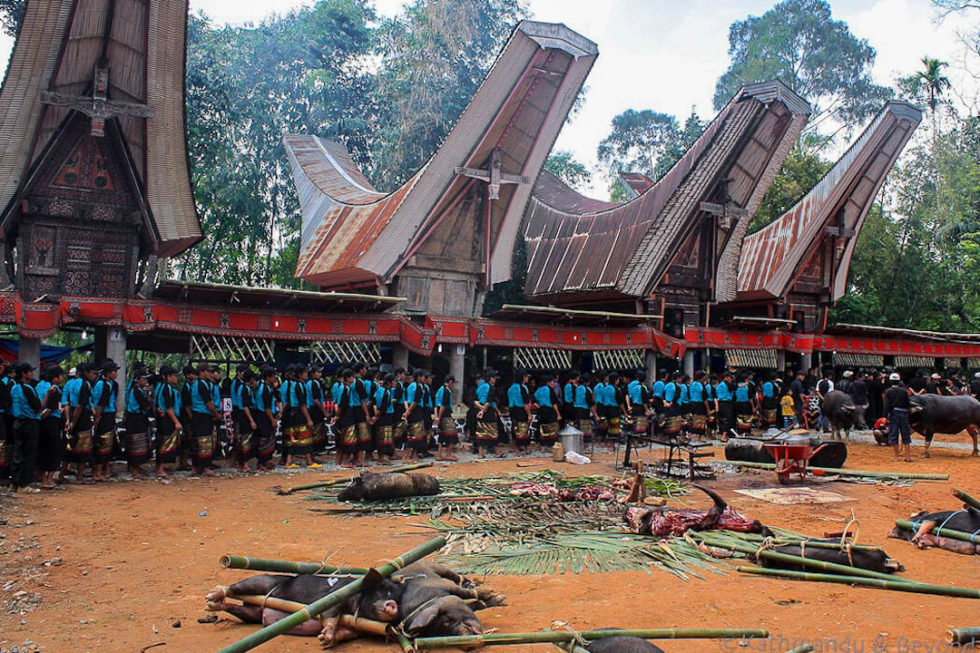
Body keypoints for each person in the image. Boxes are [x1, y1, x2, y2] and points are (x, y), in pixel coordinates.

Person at [9, 362, 41, 492]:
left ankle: (14, 483)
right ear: (24, 373)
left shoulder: (14, 388)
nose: (31, 374)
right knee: (28, 453)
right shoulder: (27, 388)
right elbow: (37, 407)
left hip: (17, 421)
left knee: (18, 452)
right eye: (30, 371)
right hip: (29, 422)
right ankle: (24, 484)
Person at [281, 365, 317, 469]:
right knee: (302, 435)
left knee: (301, 437)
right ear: (300, 375)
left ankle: (307, 460)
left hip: (296, 413)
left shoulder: (298, 384)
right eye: (305, 372)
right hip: (299, 413)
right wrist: (309, 419)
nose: (307, 374)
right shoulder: (298, 386)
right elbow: (302, 404)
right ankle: (293, 461)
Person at [66, 363, 97, 483]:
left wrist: (69, 419)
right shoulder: (85, 385)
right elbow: (80, 405)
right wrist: (73, 421)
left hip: (73, 413)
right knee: (83, 447)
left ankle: (61, 475)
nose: (94, 376)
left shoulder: (71, 383)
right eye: (93, 373)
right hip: (81, 416)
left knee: (70, 444)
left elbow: (67, 402)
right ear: (86, 373)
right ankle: (80, 477)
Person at [36, 364, 64, 490]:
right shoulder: (54, 389)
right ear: (55, 377)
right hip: (50, 421)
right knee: (53, 449)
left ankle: (42, 478)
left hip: (39, 421)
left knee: (42, 449)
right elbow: (49, 408)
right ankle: (49, 479)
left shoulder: (39, 386)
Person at [91, 360, 119, 482]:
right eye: (114, 371)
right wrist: (97, 418)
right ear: (108, 373)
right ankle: (97, 472)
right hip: (105, 416)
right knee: (104, 444)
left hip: (105, 415)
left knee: (105, 444)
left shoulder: (100, 383)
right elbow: (101, 404)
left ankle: (103, 470)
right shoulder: (105, 385)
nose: (116, 373)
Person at [124, 365, 153, 479]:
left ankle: (135, 467)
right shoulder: (137, 391)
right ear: (138, 379)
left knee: (136, 443)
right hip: (136, 419)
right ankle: (134, 469)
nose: (146, 381)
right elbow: (145, 407)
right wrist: (149, 400)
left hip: (136, 418)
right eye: (144, 379)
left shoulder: (136, 389)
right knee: (136, 443)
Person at [153, 365, 183, 478]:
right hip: (167, 419)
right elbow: (169, 408)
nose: (176, 378)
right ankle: (160, 469)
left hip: (163, 417)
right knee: (165, 443)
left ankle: (160, 467)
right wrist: (176, 421)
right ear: (168, 377)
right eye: (174, 376)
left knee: (162, 442)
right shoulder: (167, 388)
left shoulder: (160, 387)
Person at [232, 369, 257, 472]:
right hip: (244, 416)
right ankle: (245, 464)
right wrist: (251, 420)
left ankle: (240, 463)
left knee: (241, 439)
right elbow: (245, 406)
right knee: (245, 439)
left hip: (241, 415)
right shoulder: (245, 389)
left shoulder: (243, 387)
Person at [474, 369, 503, 458]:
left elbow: (475, 400)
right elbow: (489, 401)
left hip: (480, 409)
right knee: (493, 431)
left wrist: (480, 408)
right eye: (494, 378)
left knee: (480, 432)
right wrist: (483, 411)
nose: (495, 380)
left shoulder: (480, 386)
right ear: (491, 378)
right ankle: (497, 452)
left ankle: (480, 453)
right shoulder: (491, 387)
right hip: (488, 411)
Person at [884, 372, 912, 462]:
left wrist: (885, 416)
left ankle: (896, 456)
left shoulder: (888, 391)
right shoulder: (904, 391)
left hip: (894, 414)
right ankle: (908, 456)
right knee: (906, 435)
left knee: (894, 434)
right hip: (904, 414)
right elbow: (908, 403)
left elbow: (886, 405)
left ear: (891, 381)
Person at [332, 369, 357, 468]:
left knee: (341, 437)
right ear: (348, 378)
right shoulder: (346, 389)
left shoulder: (340, 387)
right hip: (346, 414)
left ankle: (339, 460)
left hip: (343, 413)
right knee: (348, 436)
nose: (353, 379)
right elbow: (342, 404)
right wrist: (337, 416)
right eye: (352, 377)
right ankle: (345, 461)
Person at [403, 369, 428, 461]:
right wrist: (409, 411)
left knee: (410, 431)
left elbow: (405, 399)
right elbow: (416, 400)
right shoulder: (418, 386)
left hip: (409, 409)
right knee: (417, 432)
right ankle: (414, 454)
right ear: (419, 377)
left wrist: (406, 410)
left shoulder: (409, 386)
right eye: (422, 377)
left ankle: (408, 453)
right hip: (416, 410)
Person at [372, 373, 397, 463]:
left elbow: (374, 401)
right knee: (384, 437)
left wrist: (376, 413)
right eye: (394, 381)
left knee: (381, 436)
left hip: (382, 415)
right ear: (390, 382)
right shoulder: (386, 392)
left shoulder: (380, 390)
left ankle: (382, 456)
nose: (395, 383)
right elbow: (384, 405)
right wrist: (378, 415)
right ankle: (382, 457)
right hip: (385, 416)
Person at [508, 370, 532, 455]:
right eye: (527, 377)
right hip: (521, 411)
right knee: (524, 430)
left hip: (512, 410)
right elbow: (526, 403)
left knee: (515, 429)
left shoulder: (511, 388)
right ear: (523, 377)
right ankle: (526, 449)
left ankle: (517, 450)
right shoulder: (523, 388)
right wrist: (529, 414)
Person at [434, 375, 458, 461]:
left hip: (440, 414)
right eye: (453, 383)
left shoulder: (439, 390)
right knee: (453, 434)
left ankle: (439, 454)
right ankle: (448, 453)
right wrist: (439, 417)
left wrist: (437, 416)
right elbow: (443, 405)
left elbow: (436, 405)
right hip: (445, 414)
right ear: (451, 382)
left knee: (442, 434)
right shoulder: (446, 391)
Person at [534, 374, 561, 448]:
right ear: (548, 382)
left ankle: (543, 445)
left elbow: (534, 401)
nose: (553, 383)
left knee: (543, 428)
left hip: (542, 411)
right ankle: (551, 445)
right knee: (552, 428)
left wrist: (539, 407)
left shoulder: (538, 390)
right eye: (552, 381)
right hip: (550, 411)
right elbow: (554, 403)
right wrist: (558, 414)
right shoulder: (549, 390)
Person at [715, 371, 735, 440]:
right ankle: (724, 436)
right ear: (726, 377)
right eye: (729, 377)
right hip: (726, 403)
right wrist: (744, 384)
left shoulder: (719, 385)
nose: (730, 379)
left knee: (722, 419)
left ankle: (724, 435)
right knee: (727, 419)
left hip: (720, 403)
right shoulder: (727, 384)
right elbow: (736, 387)